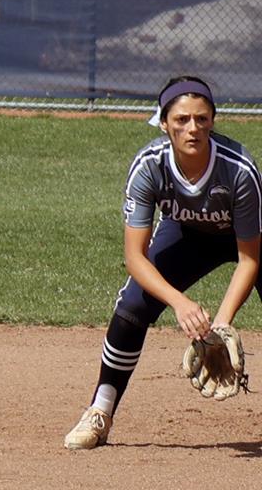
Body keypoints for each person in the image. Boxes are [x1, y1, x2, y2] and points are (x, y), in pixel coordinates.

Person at [65, 75, 262, 449]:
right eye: (182, 119)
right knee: (133, 304)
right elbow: (134, 258)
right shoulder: (149, 167)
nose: (193, 128)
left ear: (213, 121)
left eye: (202, 119)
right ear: (163, 123)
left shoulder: (238, 170)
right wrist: (180, 302)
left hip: (248, 238)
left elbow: (249, 259)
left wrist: (220, 325)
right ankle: (100, 411)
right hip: (188, 235)